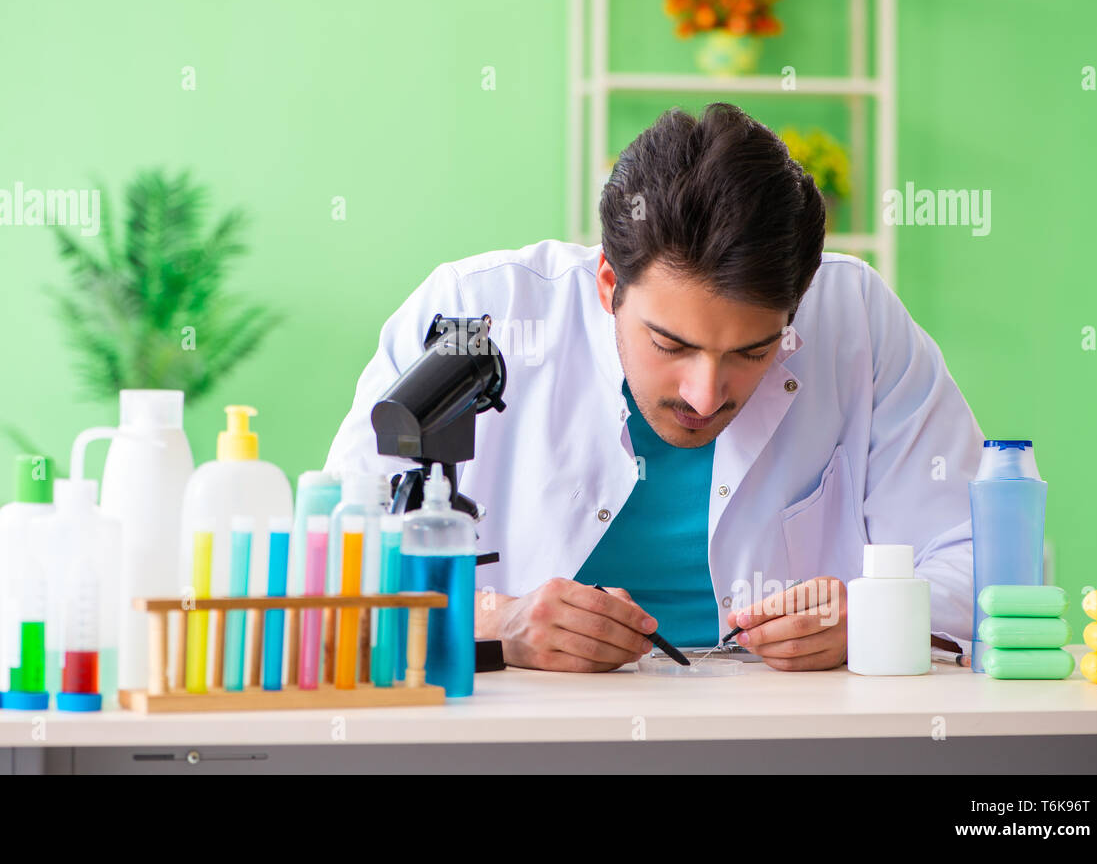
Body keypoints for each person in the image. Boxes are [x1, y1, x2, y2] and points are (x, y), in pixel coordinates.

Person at [324, 102, 983, 672]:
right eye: (671, 345)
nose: (703, 394)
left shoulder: (856, 318)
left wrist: (876, 614)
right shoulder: (474, 313)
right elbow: (333, 570)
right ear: (609, 282)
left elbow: (983, 557)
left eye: (752, 351)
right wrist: (496, 619)